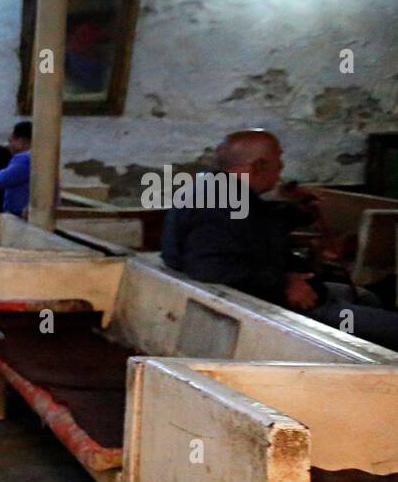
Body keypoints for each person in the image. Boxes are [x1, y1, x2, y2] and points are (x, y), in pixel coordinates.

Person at [162, 129, 398, 350]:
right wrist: (283, 283)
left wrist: (299, 210)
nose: (280, 174)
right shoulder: (219, 202)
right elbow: (211, 267)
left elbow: (256, 222)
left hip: (274, 293)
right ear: (258, 166)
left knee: (367, 296)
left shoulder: (217, 189)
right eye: (278, 166)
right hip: (279, 307)